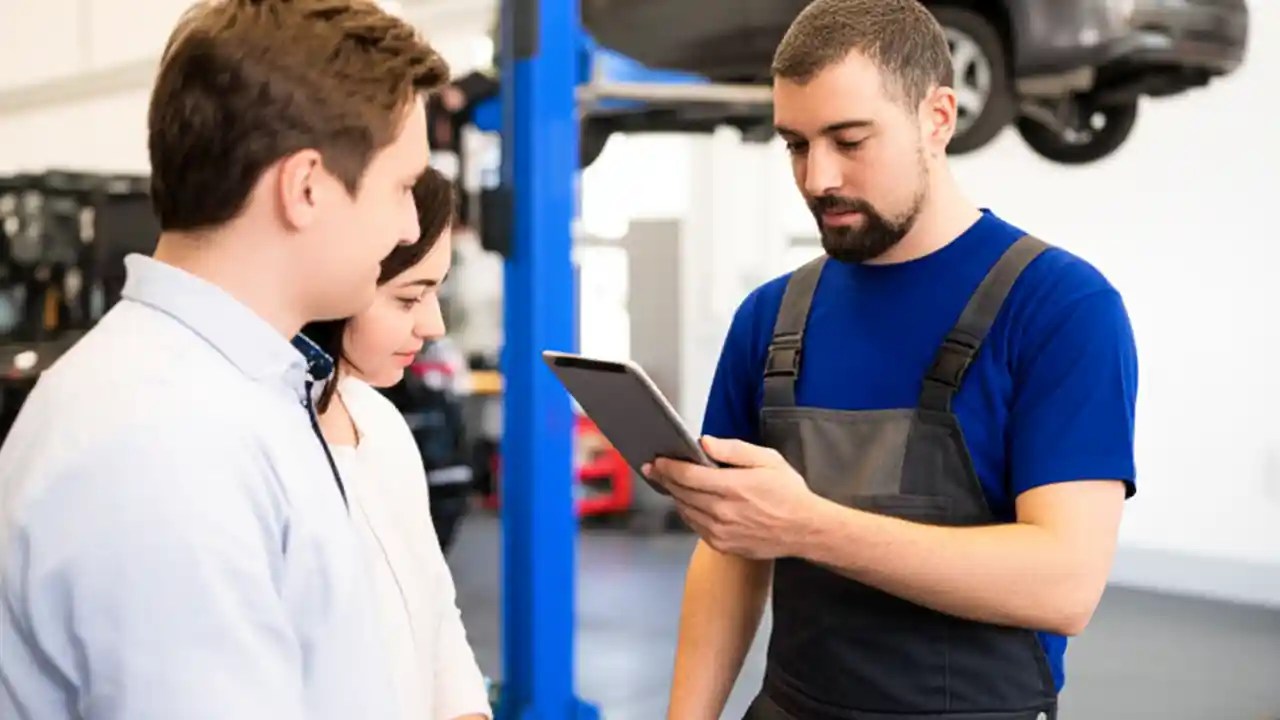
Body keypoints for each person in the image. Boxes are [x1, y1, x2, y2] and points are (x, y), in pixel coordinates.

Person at [646, 1, 1139, 719]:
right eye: (796, 144)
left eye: (850, 140)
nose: (818, 177)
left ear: (938, 118)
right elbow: (732, 547)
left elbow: (1063, 586)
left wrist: (807, 525)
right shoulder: (771, 318)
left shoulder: (1060, 308)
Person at [0, 2, 449, 718]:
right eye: (402, 189)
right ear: (305, 188)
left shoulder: (238, 393)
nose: (408, 226)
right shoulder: (162, 443)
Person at [301, 169, 491, 720]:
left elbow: (434, 607)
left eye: (437, 293)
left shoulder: (378, 421)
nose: (433, 324)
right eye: (409, 298)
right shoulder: (269, 445)